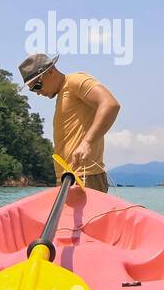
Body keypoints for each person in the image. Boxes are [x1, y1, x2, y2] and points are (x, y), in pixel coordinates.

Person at [19, 53, 120, 192]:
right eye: (32, 90)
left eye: (37, 86)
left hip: (85, 176)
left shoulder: (74, 80)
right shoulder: (61, 95)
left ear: (50, 71)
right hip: (66, 178)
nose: (37, 92)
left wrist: (87, 143)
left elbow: (110, 104)